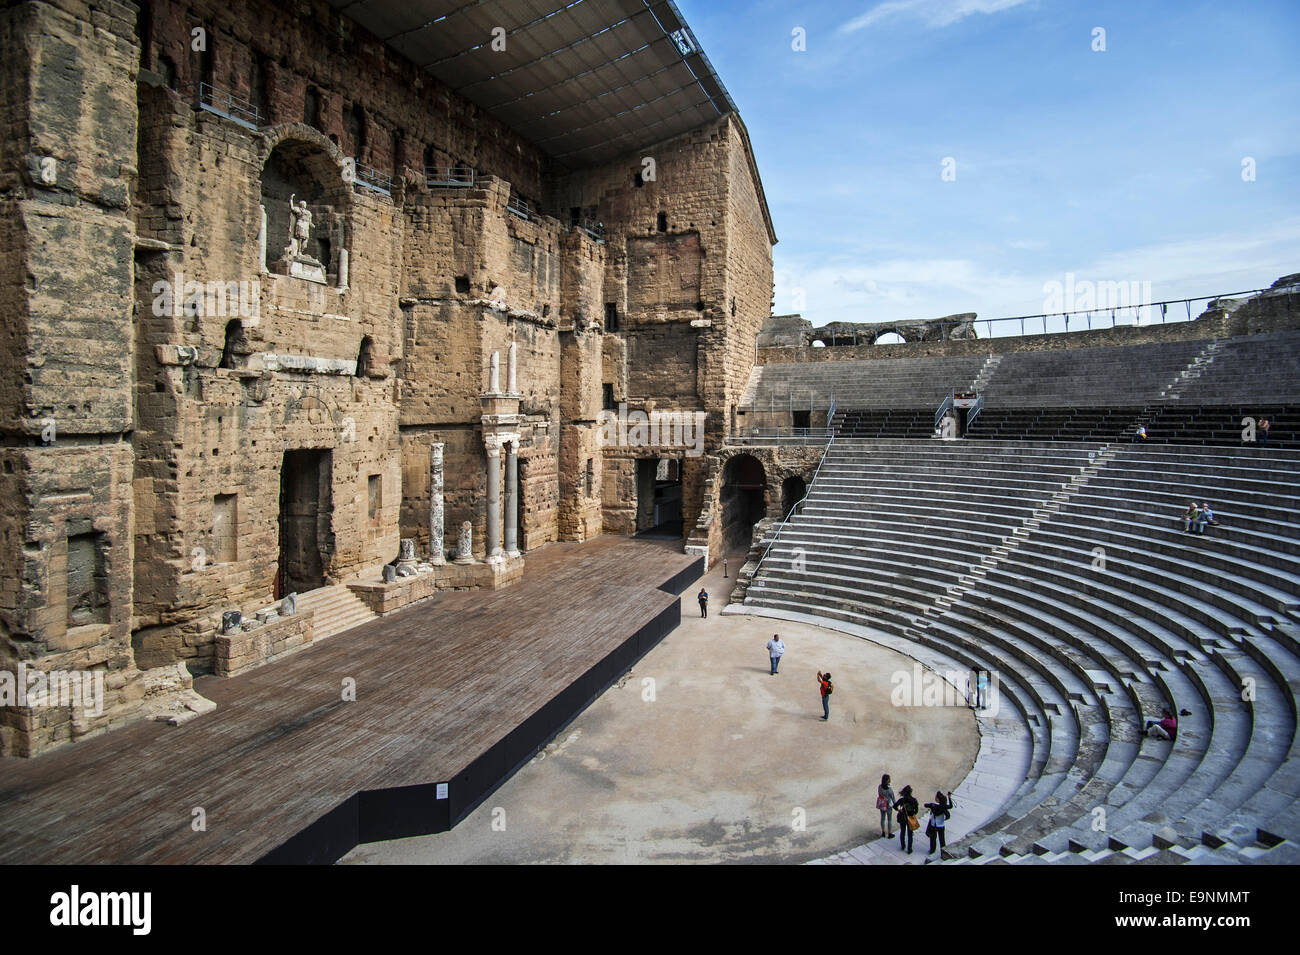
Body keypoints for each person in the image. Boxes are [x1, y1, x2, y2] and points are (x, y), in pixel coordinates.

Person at [924, 790, 955, 860]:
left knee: (933, 839)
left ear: (938, 799)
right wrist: (949, 798)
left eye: (936, 797)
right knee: (942, 840)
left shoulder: (934, 806)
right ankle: (943, 852)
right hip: (941, 825)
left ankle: (932, 851)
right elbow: (950, 806)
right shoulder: (944, 807)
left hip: (933, 825)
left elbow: (925, 805)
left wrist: (930, 805)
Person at [893, 785, 919, 854]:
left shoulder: (902, 800)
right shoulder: (914, 800)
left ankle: (903, 846)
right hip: (910, 817)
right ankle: (909, 849)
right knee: (910, 834)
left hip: (903, 817)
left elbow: (894, 806)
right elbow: (916, 811)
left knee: (902, 831)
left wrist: (899, 810)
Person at [877, 774, 896, 839]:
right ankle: (889, 833)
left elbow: (879, 794)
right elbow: (893, 799)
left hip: (882, 804)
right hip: (888, 806)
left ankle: (883, 832)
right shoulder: (889, 790)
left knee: (882, 818)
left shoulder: (880, 787)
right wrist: (896, 806)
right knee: (889, 819)